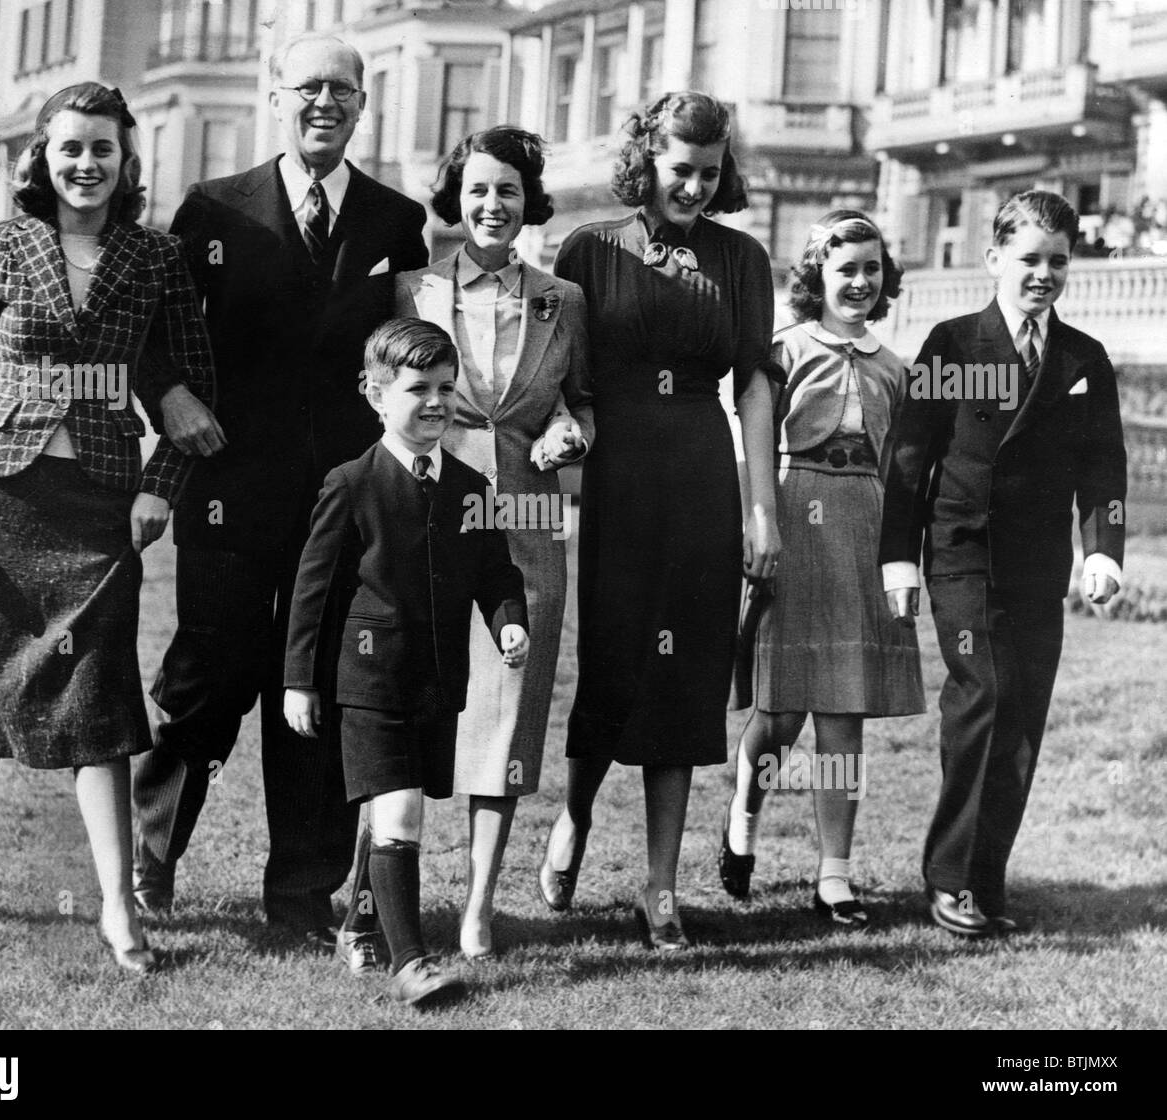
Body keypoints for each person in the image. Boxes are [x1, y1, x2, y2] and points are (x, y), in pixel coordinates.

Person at [130, 33, 429, 946]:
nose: (323, 104)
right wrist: (171, 395)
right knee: (208, 675)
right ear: (275, 97)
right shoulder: (213, 212)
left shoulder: (394, 220)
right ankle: (149, 861)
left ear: (363, 105)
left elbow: (414, 344)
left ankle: (302, 895)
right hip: (228, 489)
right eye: (307, 89)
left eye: (341, 90)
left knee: (321, 687)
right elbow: (149, 328)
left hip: (342, 504)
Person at [0, 82, 215, 974]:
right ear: (41, 159)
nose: (85, 165)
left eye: (103, 151)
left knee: (97, 701)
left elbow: (195, 388)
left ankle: (117, 910)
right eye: (69, 149)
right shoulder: (1, 248)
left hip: (98, 504)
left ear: (128, 164)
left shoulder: (156, 259)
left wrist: (159, 486)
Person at [537, 91, 781, 950]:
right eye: (681, 170)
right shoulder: (589, 248)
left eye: (710, 174)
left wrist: (762, 512)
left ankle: (660, 886)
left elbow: (754, 385)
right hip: (616, 469)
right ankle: (573, 820)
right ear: (646, 161)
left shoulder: (744, 258)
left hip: (702, 469)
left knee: (687, 675)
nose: (695, 188)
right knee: (611, 660)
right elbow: (563, 372)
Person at [880, 190, 1127, 937]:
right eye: (1029, 259)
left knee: (1021, 719)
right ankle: (948, 877)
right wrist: (898, 558)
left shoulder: (1084, 360)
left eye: (1057, 261)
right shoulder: (952, 346)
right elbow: (910, 457)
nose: (1043, 274)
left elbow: (1105, 471)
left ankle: (986, 883)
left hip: (1038, 566)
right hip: (961, 554)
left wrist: (1104, 552)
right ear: (993, 259)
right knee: (983, 694)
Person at [282, 318, 529, 1006]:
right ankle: (411, 962)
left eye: (447, 388)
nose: (436, 402)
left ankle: (360, 921)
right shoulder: (350, 482)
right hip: (367, 681)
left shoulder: (472, 486)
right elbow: (311, 590)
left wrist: (510, 624)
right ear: (375, 393)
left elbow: (497, 574)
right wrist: (298, 680)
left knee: (397, 809)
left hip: (438, 683)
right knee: (400, 813)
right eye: (418, 388)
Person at [392, 126, 592, 960]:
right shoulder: (411, 289)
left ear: (529, 201)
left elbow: (577, 403)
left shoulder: (563, 300)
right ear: (456, 198)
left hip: (528, 526)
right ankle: (386, 898)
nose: (492, 205)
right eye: (477, 190)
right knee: (403, 700)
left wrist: (569, 435)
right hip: (426, 518)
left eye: (508, 190)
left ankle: (477, 905)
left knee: (508, 717)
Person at [717, 211, 925, 926]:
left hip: (863, 523)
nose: (860, 282)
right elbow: (755, 443)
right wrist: (759, 521)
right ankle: (745, 805)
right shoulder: (784, 349)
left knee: (844, 709)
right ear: (816, 278)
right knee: (781, 713)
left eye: (872, 269)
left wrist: (902, 561)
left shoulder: (896, 367)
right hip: (796, 515)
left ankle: (834, 873)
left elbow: (905, 473)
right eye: (845, 270)